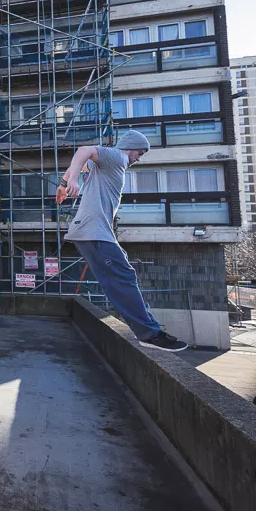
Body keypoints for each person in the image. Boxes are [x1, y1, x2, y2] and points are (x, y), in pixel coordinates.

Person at [56, 129, 188, 351]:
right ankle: (149, 333)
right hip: (93, 231)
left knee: (121, 275)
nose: (138, 159)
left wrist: (63, 183)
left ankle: (148, 330)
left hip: (94, 231)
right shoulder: (117, 157)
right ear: (130, 147)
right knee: (122, 278)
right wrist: (74, 180)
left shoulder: (107, 165)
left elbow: (75, 165)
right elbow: (84, 150)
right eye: (139, 153)